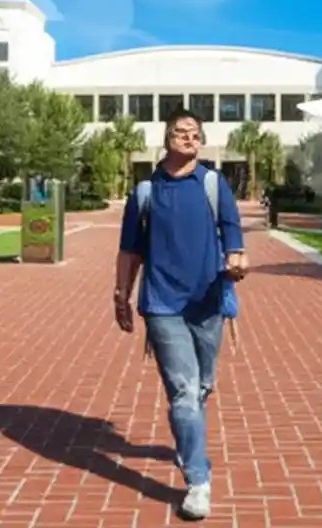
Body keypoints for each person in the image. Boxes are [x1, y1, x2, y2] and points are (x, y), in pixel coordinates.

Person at [114, 108, 247, 520]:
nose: (187, 137)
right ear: (166, 137)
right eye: (179, 131)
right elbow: (129, 250)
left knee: (202, 386)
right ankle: (198, 480)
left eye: (194, 133)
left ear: (200, 141)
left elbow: (233, 231)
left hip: (207, 302)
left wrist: (237, 260)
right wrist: (121, 294)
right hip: (162, 304)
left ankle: (186, 439)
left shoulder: (212, 183)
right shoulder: (145, 192)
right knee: (184, 392)